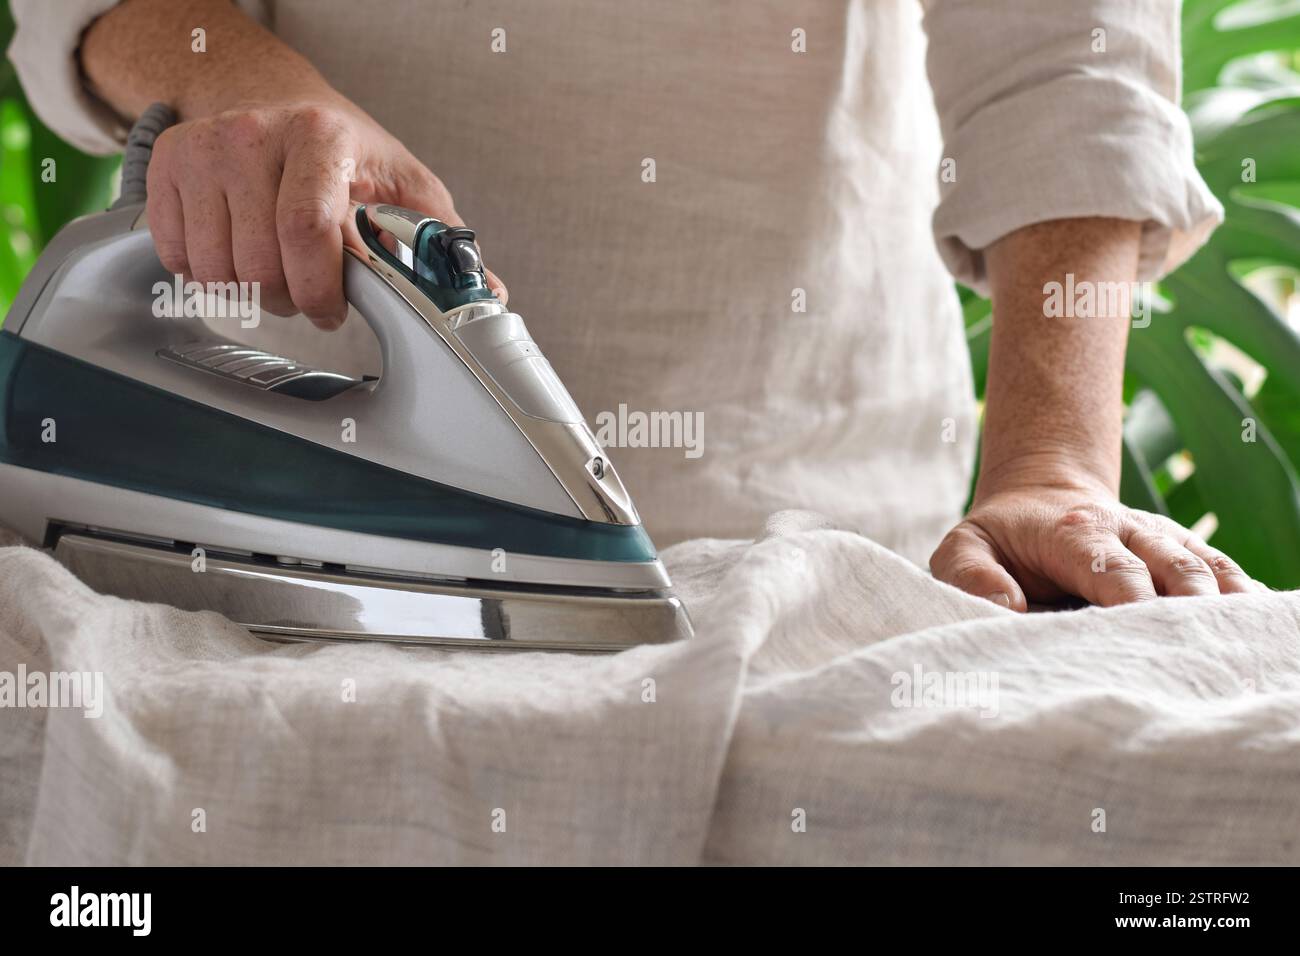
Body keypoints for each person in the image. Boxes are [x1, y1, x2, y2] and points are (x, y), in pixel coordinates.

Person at [8, 0, 1261, 609]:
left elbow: (1066, 57)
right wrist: (247, 92)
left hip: (828, 521)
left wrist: (1051, 470)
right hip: (260, 564)